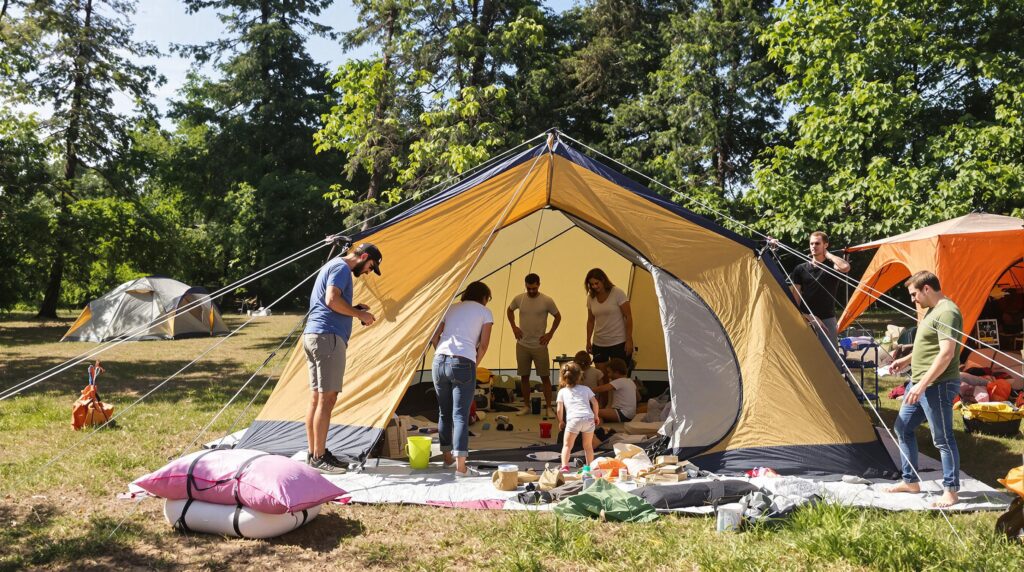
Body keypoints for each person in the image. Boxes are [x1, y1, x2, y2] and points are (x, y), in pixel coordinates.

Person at [884, 271, 963, 508]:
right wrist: (906, 360)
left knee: (943, 438)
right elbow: (926, 344)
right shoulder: (932, 311)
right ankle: (911, 482)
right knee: (902, 427)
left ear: (926, 289)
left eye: (914, 294)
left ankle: (950, 491)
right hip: (919, 383)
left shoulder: (947, 311)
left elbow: (946, 353)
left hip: (937, 385)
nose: (913, 299)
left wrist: (922, 384)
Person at [303, 243, 382, 474]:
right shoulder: (342, 269)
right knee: (327, 399)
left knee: (317, 399)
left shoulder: (332, 266)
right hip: (328, 338)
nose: (368, 271)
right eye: (370, 266)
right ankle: (319, 457)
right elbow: (331, 300)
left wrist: (353, 308)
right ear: (364, 257)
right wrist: (360, 314)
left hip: (315, 335)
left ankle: (314, 453)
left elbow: (330, 304)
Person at [431, 281, 494, 477]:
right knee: (460, 415)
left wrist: (441, 356)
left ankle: (447, 458)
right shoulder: (485, 312)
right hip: (463, 362)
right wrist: (473, 364)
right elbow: (483, 345)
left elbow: (434, 336)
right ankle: (461, 468)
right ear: (484, 297)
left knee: (444, 412)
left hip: (439, 361)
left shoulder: (451, 308)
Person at [507, 273, 561, 416]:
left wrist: (550, 334)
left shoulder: (547, 300)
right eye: (528, 288)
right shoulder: (519, 299)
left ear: (539, 284)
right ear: (525, 285)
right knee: (524, 376)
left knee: (545, 377)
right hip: (522, 344)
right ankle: (526, 406)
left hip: (539, 345)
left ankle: (549, 407)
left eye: (534, 288)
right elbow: (509, 310)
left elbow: (558, 316)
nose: (531, 291)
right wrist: (514, 327)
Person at [789, 231, 851, 347]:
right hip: (807, 318)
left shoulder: (832, 267)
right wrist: (805, 316)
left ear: (825, 245)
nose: (813, 246)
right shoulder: (800, 269)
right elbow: (795, 297)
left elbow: (845, 267)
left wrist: (828, 255)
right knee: (807, 353)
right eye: (811, 243)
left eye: (817, 243)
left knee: (832, 356)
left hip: (828, 318)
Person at [584, 268, 633, 368]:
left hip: (619, 342)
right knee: (602, 376)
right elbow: (590, 320)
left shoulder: (618, 293)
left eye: (596, 283)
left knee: (618, 375)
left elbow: (628, 316)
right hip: (599, 342)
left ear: (603, 280)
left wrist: (629, 340)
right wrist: (588, 340)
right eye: (591, 284)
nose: (594, 286)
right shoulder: (590, 297)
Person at [556, 362, 600, 471]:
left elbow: (559, 409)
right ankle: (589, 467)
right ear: (580, 375)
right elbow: (595, 403)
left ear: (562, 377)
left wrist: (561, 421)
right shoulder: (586, 389)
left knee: (567, 445)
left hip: (574, 420)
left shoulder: (562, 391)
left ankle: (565, 466)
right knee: (588, 446)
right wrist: (596, 416)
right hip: (588, 418)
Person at [592, 358, 637, 423]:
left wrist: (585, 390)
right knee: (599, 417)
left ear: (616, 372)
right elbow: (638, 398)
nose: (608, 375)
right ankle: (599, 429)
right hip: (630, 414)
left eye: (609, 372)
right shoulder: (630, 381)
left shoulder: (619, 381)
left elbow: (601, 389)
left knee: (593, 411)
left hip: (622, 413)